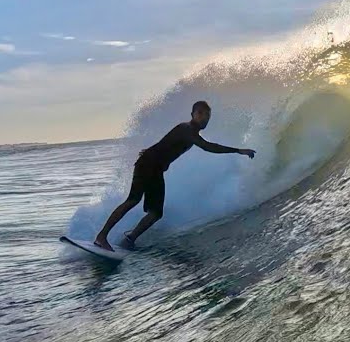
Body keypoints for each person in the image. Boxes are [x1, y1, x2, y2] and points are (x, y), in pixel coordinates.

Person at [93, 100, 255, 251]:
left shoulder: (189, 132)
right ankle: (102, 237)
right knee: (133, 200)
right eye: (200, 113)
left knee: (156, 213)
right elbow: (208, 147)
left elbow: (165, 142)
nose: (204, 118)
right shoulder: (187, 129)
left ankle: (129, 239)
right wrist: (238, 150)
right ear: (192, 114)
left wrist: (151, 152)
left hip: (154, 168)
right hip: (148, 165)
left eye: (207, 115)